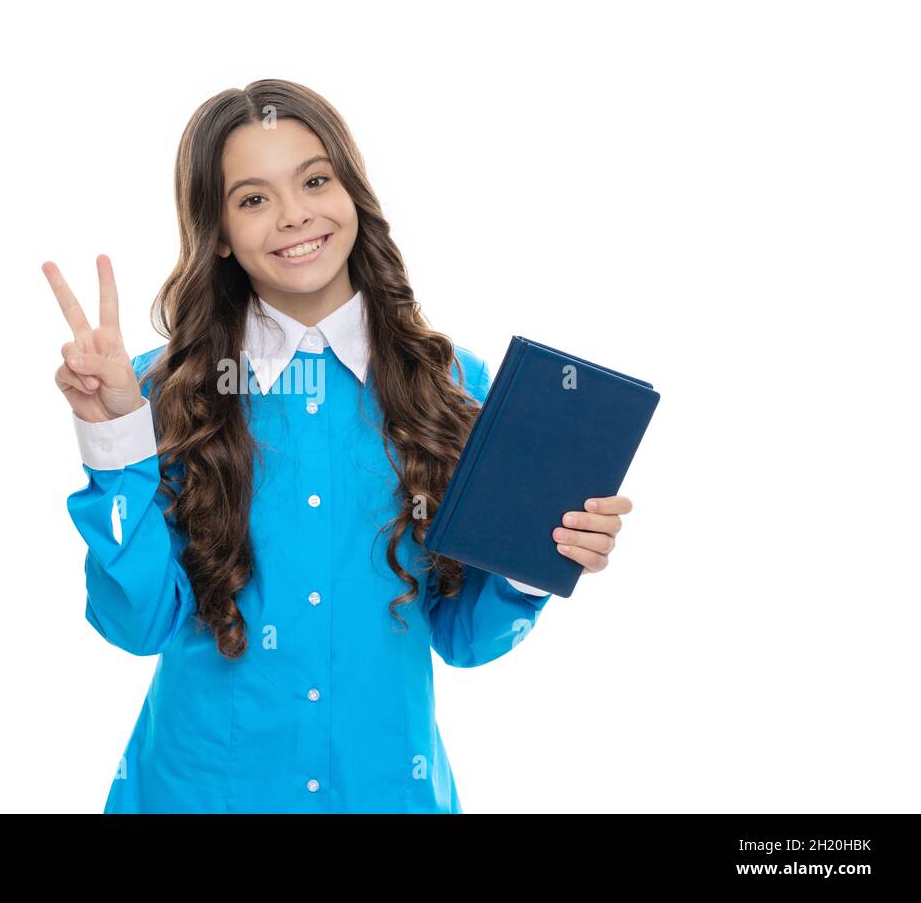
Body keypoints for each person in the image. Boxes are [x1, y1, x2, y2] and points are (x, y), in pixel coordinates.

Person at [42, 78, 633, 813]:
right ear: (219, 234)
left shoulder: (455, 385)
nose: (295, 216)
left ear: (352, 191)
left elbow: (464, 639)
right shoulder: (164, 394)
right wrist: (112, 437)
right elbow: (137, 625)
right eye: (253, 198)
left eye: (315, 180)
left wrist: (537, 560)